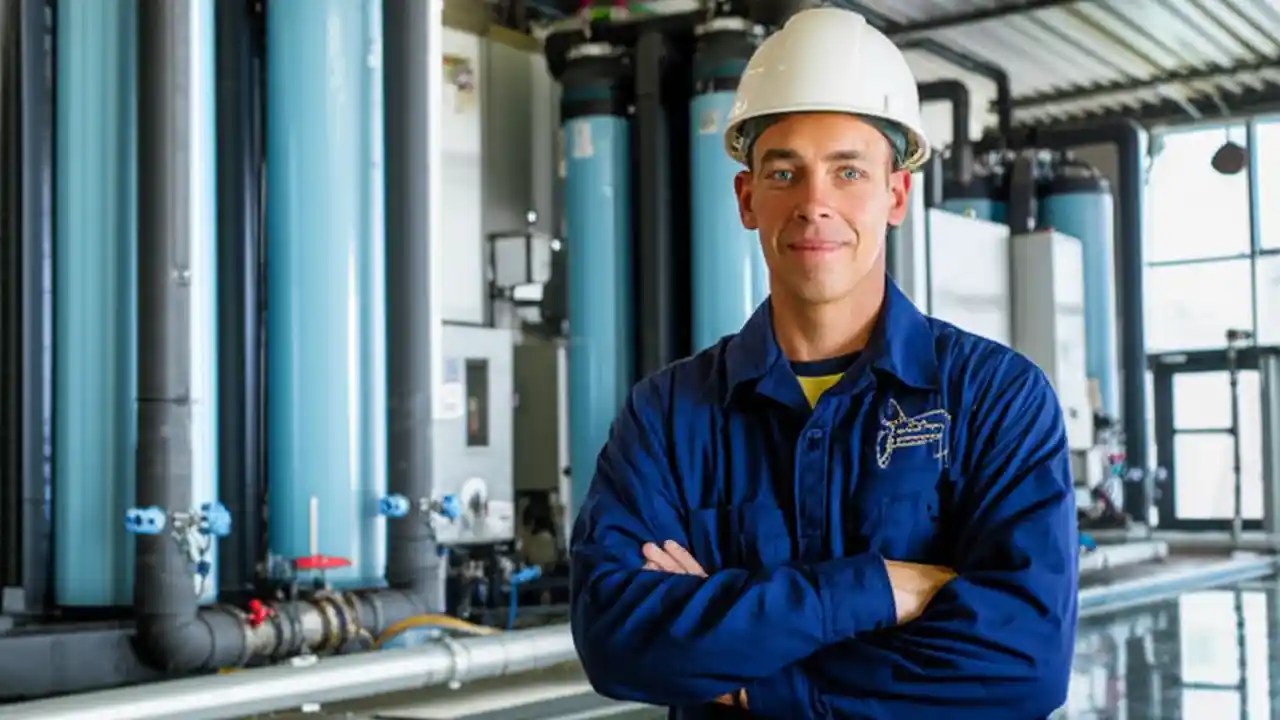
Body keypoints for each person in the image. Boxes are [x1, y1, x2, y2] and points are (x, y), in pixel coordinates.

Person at [568, 6, 1078, 719]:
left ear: (895, 194)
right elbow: (616, 639)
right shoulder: (666, 415)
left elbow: (1024, 664)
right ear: (747, 198)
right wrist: (878, 589)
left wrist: (749, 675)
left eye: (848, 172)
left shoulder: (995, 398)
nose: (814, 204)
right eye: (785, 172)